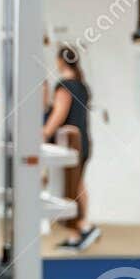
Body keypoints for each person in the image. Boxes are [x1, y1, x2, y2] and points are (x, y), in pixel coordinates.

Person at [42, 43, 100, 251]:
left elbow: (59, 114)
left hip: (71, 144)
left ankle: (84, 226)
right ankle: (77, 234)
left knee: (72, 188)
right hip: (83, 141)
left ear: (60, 60)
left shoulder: (65, 85)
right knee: (78, 185)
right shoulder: (82, 85)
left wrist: (44, 134)